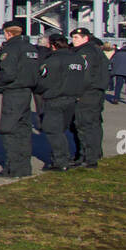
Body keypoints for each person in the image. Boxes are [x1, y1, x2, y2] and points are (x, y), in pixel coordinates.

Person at [0, 22, 41, 178]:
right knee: (23, 130)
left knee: (9, 129)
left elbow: (7, 72)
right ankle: (24, 167)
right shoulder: (31, 48)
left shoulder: (11, 49)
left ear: (8, 33)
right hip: (27, 91)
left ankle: (13, 168)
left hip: (13, 91)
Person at [35, 33, 89, 171]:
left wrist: (39, 89)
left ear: (52, 45)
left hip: (55, 98)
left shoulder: (53, 60)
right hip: (72, 98)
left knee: (53, 130)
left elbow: (44, 80)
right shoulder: (78, 58)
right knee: (61, 130)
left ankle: (61, 161)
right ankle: (62, 158)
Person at [69, 27, 107, 168]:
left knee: (84, 125)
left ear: (86, 38)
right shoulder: (95, 50)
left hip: (87, 94)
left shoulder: (85, 52)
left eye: (77, 38)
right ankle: (92, 155)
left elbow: (85, 75)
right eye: (73, 37)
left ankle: (87, 158)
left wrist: (77, 92)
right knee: (93, 124)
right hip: (95, 92)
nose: (73, 40)